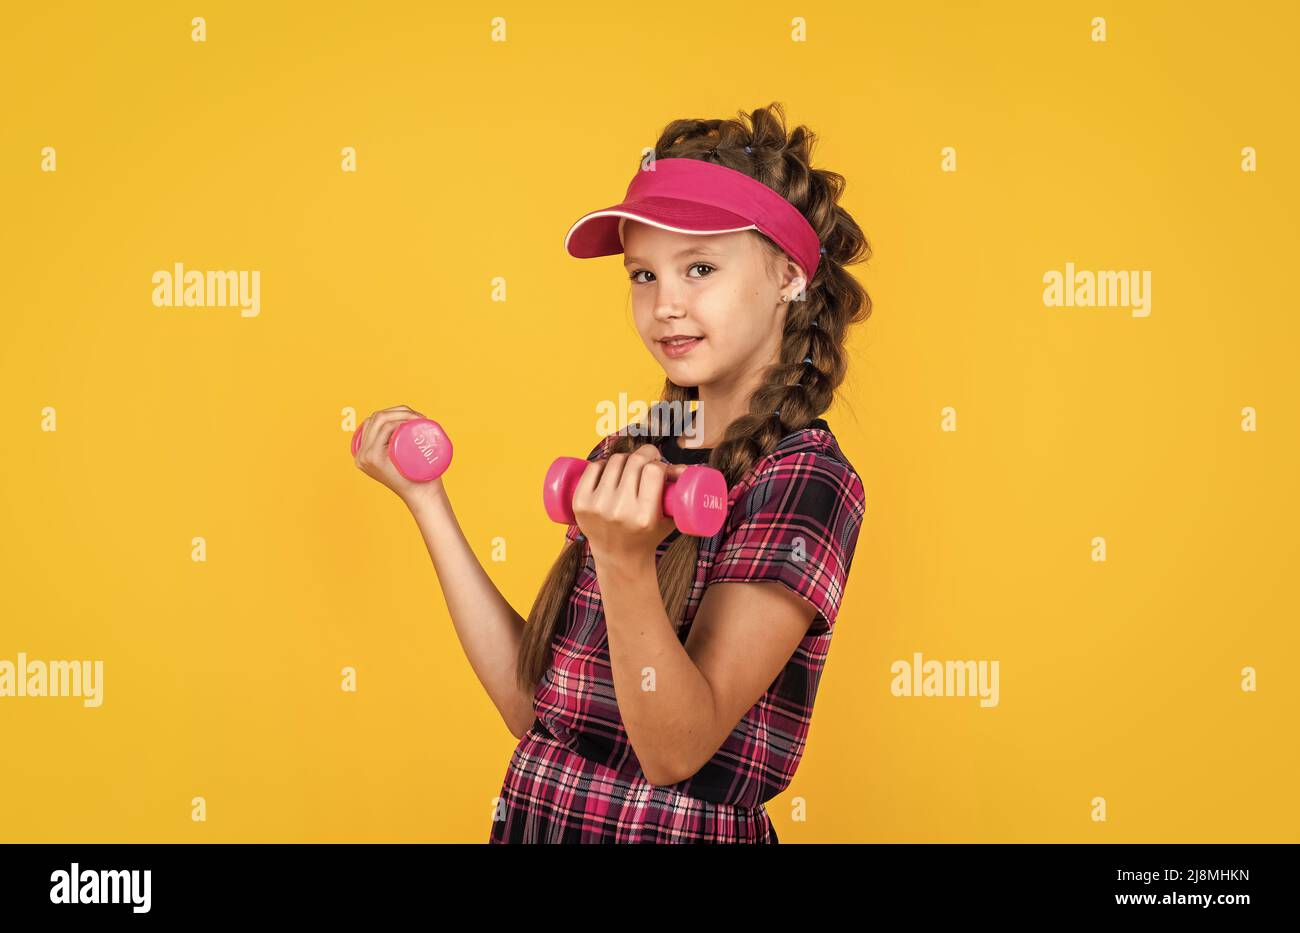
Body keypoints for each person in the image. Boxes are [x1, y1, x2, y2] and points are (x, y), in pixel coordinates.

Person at [353, 102, 872, 843]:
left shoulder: (805, 478)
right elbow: (536, 712)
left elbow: (675, 749)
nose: (665, 305)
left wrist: (626, 561)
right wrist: (426, 500)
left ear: (788, 275)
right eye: (642, 274)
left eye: (700, 268)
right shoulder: (634, 453)